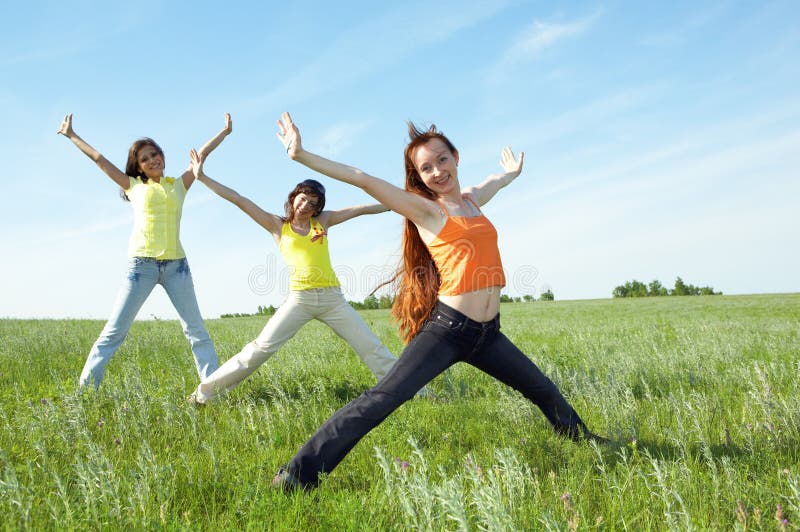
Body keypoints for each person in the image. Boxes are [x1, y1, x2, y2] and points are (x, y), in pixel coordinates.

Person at [271, 112, 606, 490]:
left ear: (456, 158)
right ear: (419, 176)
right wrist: (301, 155)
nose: (437, 171)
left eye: (442, 159)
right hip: (448, 331)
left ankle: (586, 444)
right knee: (382, 399)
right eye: (426, 168)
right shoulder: (428, 210)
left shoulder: (472, 201)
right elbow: (362, 178)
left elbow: (493, 182)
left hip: (488, 335)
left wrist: (510, 175)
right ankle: (296, 474)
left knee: (542, 388)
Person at [186, 148, 422, 405]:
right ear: (293, 197)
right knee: (258, 350)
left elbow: (361, 209)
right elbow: (239, 199)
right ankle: (203, 395)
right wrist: (202, 177)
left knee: (371, 347)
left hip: (332, 300)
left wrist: (402, 202)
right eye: (303, 199)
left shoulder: (324, 221)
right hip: (300, 300)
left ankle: (414, 392)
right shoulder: (278, 226)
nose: (306, 206)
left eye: (313, 203)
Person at [58, 113, 232, 387]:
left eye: (155, 154)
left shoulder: (178, 185)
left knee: (196, 330)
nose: (152, 160)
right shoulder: (133, 186)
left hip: (177, 267)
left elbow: (201, 155)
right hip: (142, 267)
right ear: (138, 167)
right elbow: (98, 158)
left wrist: (224, 132)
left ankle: (213, 389)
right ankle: (86, 392)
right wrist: (71, 135)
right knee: (115, 331)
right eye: (145, 159)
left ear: (162, 156)